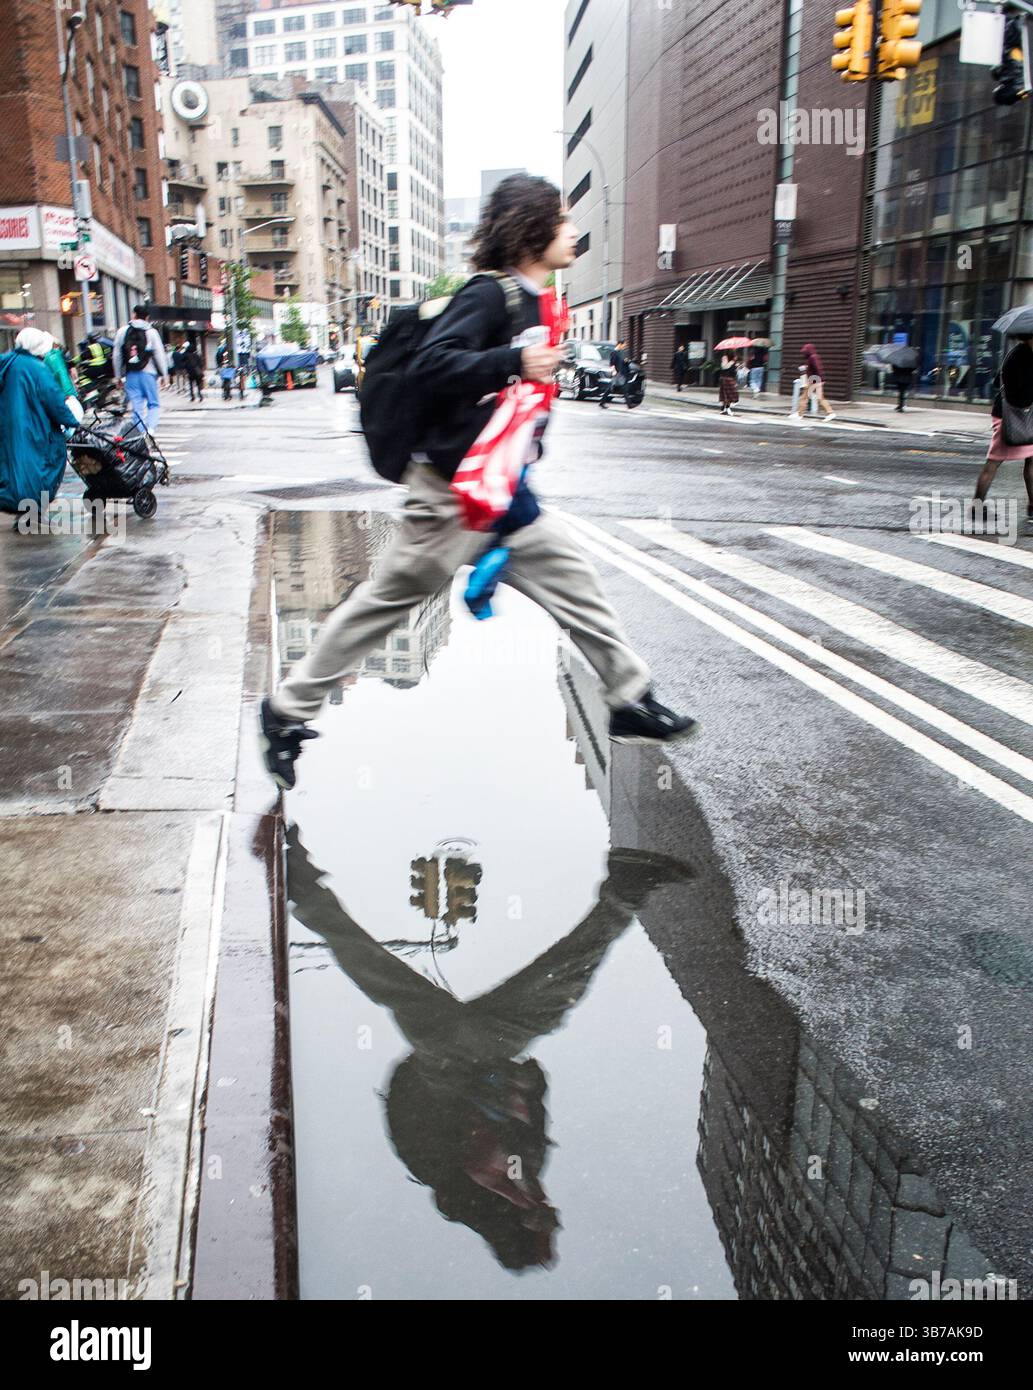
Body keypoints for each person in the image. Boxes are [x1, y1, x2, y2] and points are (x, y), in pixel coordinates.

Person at [260, 173, 696, 789]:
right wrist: (512, 360)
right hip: (452, 496)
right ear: (532, 229)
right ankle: (285, 712)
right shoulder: (489, 297)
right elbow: (437, 365)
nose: (574, 232)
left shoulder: (538, 299)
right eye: (563, 220)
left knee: (577, 583)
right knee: (384, 605)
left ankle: (628, 697)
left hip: (503, 490)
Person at [0, 333, 79, 516]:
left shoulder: (7, 362)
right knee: (37, 468)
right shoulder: (37, 369)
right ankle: (30, 508)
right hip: (33, 428)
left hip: (8, 427)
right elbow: (54, 400)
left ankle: (17, 504)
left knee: (13, 467)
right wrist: (71, 420)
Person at [973, 333, 1033, 533]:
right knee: (994, 461)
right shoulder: (1017, 357)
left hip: (1025, 416)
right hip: (1009, 416)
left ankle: (1032, 506)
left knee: (1032, 461)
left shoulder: (1025, 355)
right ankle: (977, 505)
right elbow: (1020, 392)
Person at [112, 305, 167, 431]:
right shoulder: (151, 332)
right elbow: (159, 354)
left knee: (137, 407)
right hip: (149, 374)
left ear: (134, 315)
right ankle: (151, 430)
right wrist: (165, 374)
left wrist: (118, 376)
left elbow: (117, 355)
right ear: (147, 317)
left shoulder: (122, 331)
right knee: (153, 404)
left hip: (131, 374)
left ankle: (141, 433)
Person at [795, 342, 835, 420]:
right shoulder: (813, 357)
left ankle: (799, 415)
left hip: (814, 379)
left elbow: (818, 368)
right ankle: (830, 413)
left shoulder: (812, 357)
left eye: (805, 351)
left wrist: (821, 379)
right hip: (816, 379)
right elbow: (816, 368)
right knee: (819, 397)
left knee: (804, 397)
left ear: (808, 350)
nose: (804, 352)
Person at [598, 339, 630, 408]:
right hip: (617, 373)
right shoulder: (614, 352)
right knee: (623, 388)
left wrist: (626, 361)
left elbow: (623, 362)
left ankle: (602, 402)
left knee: (610, 388)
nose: (625, 346)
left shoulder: (621, 352)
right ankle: (629, 405)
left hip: (621, 373)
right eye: (624, 344)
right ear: (620, 344)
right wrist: (614, 371)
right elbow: (612, 364)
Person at [181, 338, 204, 403]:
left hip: (190, 372)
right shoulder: (197, 355)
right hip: (197, 372)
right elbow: (201, 364)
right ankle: (200, 396)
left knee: (191, 385)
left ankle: (192, 397)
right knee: (198, 384)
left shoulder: (186, 355)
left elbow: (183, 363)